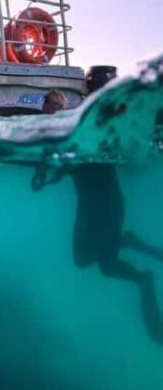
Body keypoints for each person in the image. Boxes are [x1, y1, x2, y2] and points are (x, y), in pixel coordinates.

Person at [33, 79, 163, 345]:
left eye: (58, 106)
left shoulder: (80, 132)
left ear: (65, 109)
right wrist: (44, 173)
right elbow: (52, 174)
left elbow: (103, 149)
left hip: (106, 205)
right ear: (43, 107)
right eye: (50, 105)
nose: (54, 110)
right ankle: (127, 241)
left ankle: (144, 280)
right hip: (89, 205)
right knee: (83, 261)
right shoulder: (57, 137)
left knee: (106, 265)